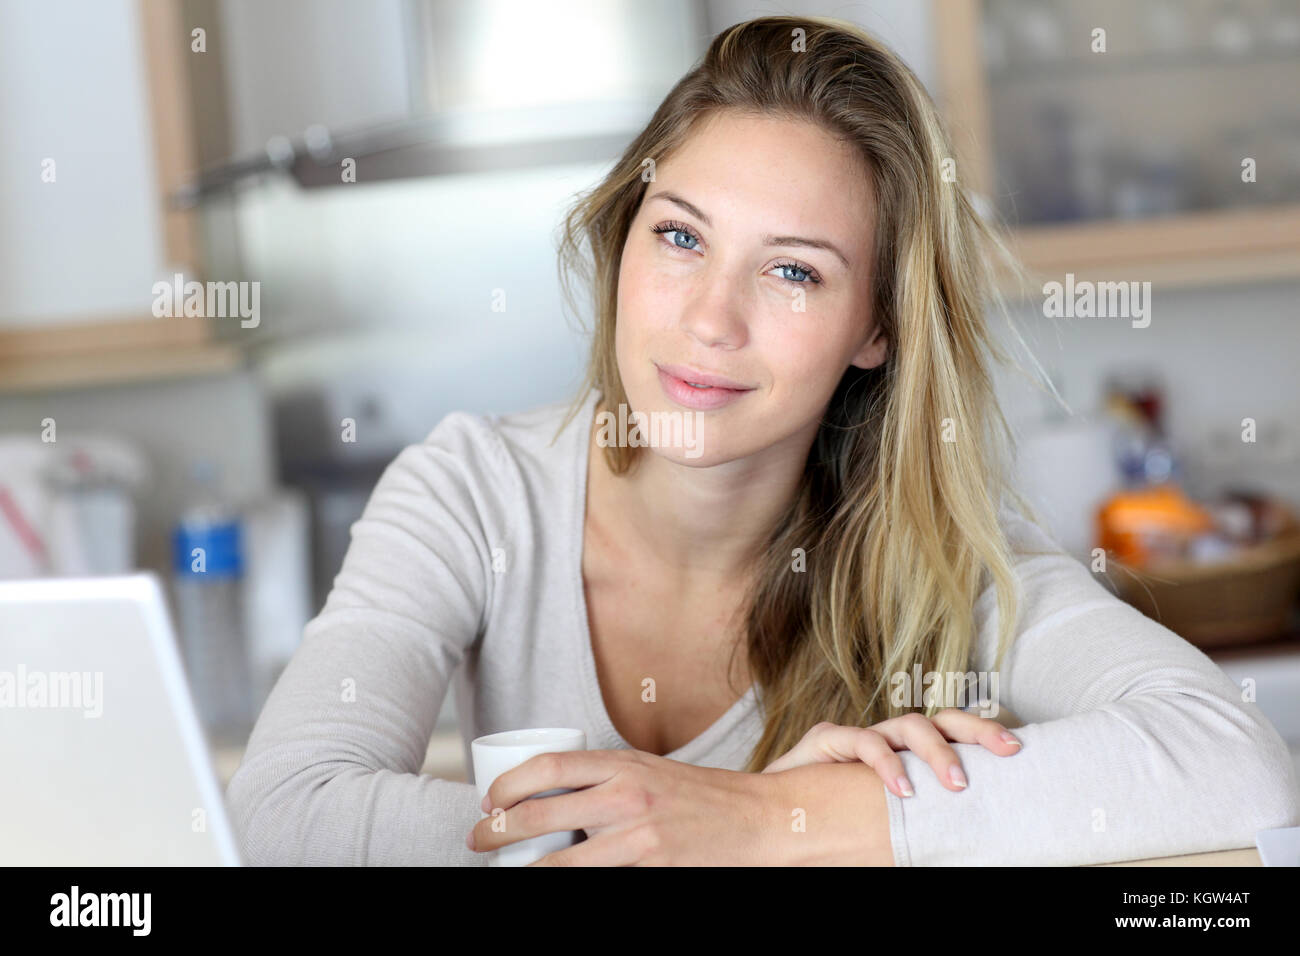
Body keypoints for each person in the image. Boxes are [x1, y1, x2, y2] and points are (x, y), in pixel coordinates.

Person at [225, 15, 1299, 866]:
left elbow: (1233, 761)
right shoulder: (473, 490)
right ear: (621, 243)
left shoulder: (944, 553)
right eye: (679, 235)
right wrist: (692, 826)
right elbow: (283, 810)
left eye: (793, 270)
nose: (708, 318)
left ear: (875, 326)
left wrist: (759, 820)